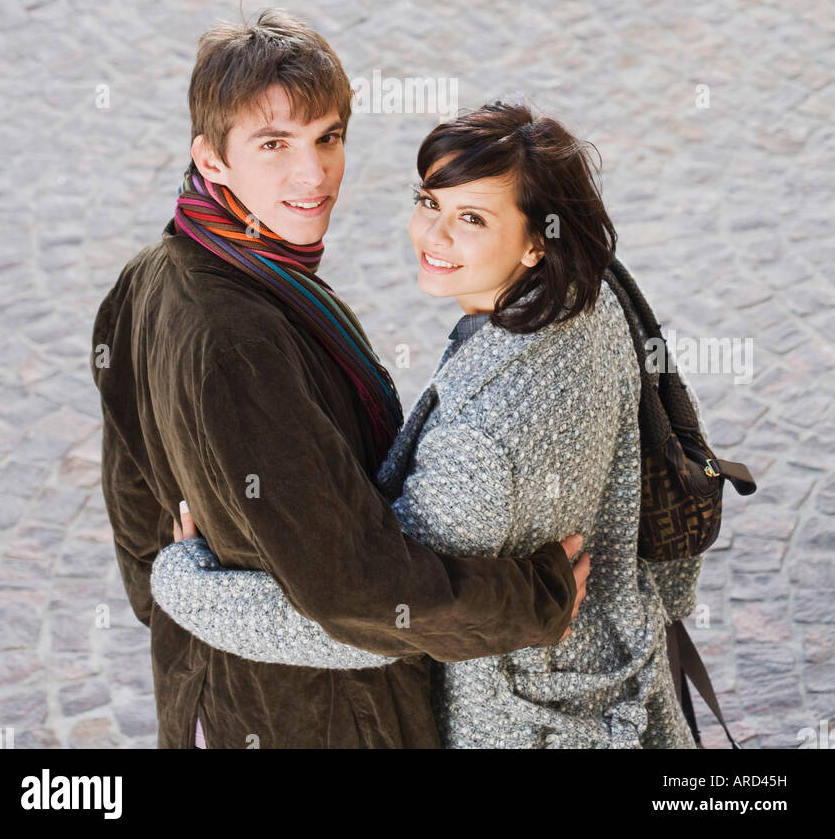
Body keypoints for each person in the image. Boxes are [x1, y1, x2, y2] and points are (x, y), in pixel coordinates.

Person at [91, 10, 589, 750]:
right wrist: (536, 599)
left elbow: (137, 511)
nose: (314, 173)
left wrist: (184, 607)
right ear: (212, 158)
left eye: (328, 137)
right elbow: (355, 588)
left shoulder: (154, 276)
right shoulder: (237, 342)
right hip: (316, 719)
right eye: (274, 144)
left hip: (215, 696)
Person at [151, 102, 705, 748]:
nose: (432, 236)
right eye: (429, 202)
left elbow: (377, 618)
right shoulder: (595, 294)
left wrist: (184, 582)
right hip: (614, 665)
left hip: (522, 723)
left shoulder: (481, 451)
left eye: (471, 218)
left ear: (536, 241)